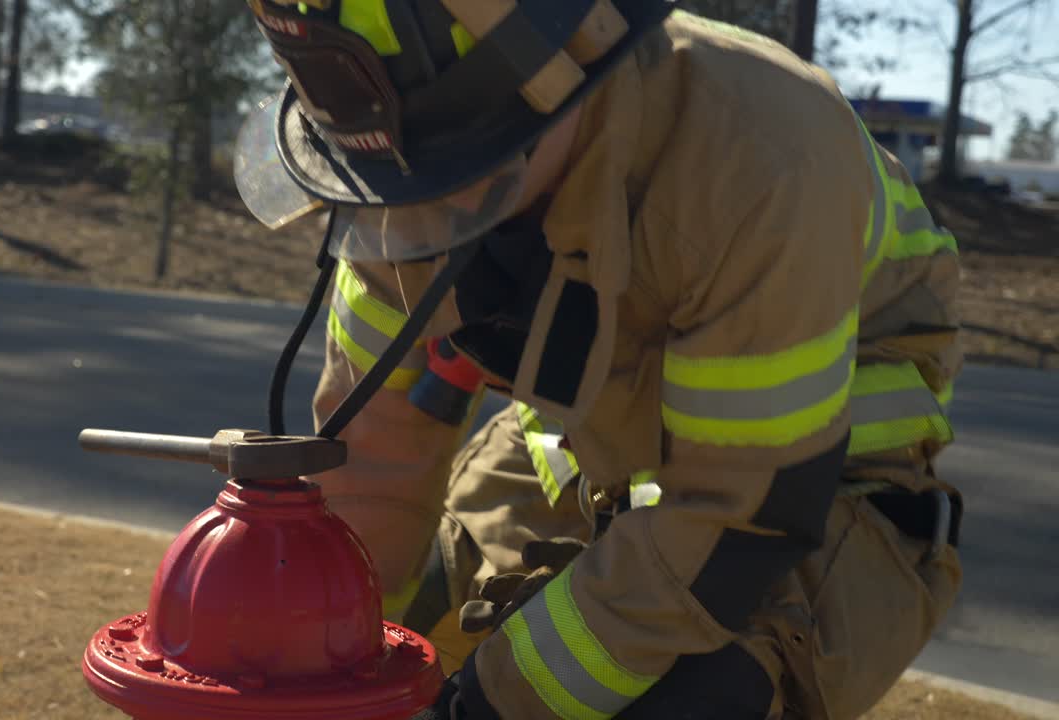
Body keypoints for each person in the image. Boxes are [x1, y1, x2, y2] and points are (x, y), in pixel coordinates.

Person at [234, 1, 963, 718]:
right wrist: (335, 664)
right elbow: (375, 453)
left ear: (572, 66)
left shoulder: (760, 155)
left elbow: (733, 516)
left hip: (813, 483)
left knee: (686, 694)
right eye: (396, 189)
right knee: (410, 622)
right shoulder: (394, 176)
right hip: (580, 443)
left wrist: (490, 702)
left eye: (458, 171)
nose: (415, 225)